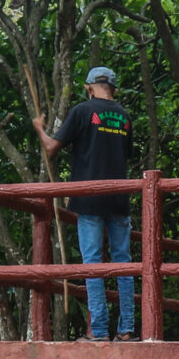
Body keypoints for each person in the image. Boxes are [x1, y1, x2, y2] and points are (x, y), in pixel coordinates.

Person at [34, 65, 138, 341]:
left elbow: (51, 148)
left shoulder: (82, 111)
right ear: (113, 88)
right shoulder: (124, 116)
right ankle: (127, 330)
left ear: (89, 87)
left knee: (93, 263)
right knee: (124, 264)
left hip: (89, 198)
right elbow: (127, 155)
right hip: (119, 198)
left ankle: (100, 332)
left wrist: (40, 129)